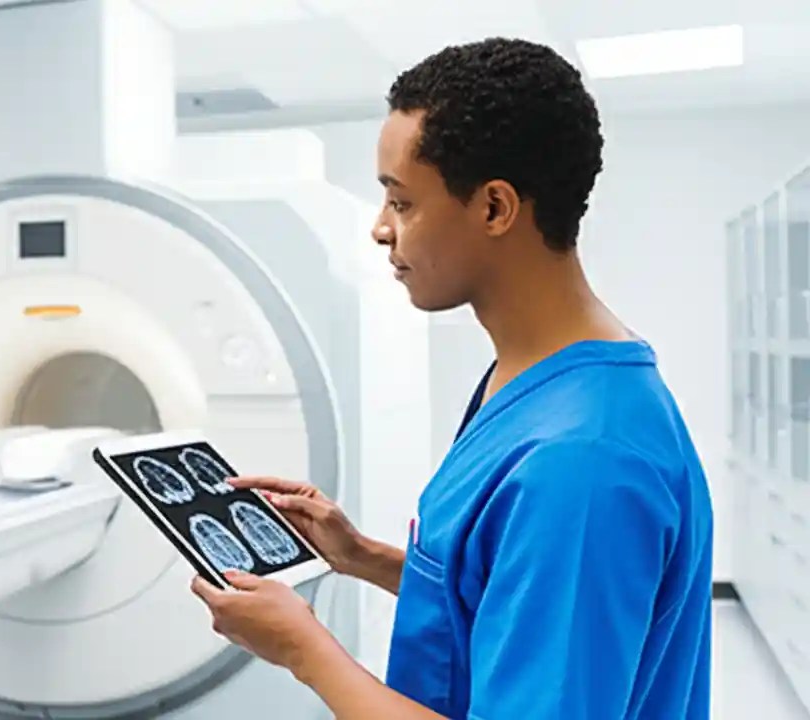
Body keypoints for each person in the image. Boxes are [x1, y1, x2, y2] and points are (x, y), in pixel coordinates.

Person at [189, 37, 713, 719]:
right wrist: (363, 557)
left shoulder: (581, 462)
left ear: (494, 209)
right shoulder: (536, 381)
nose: (381, 230)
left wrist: (303, 649)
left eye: (401, 203)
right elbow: (509, 603)